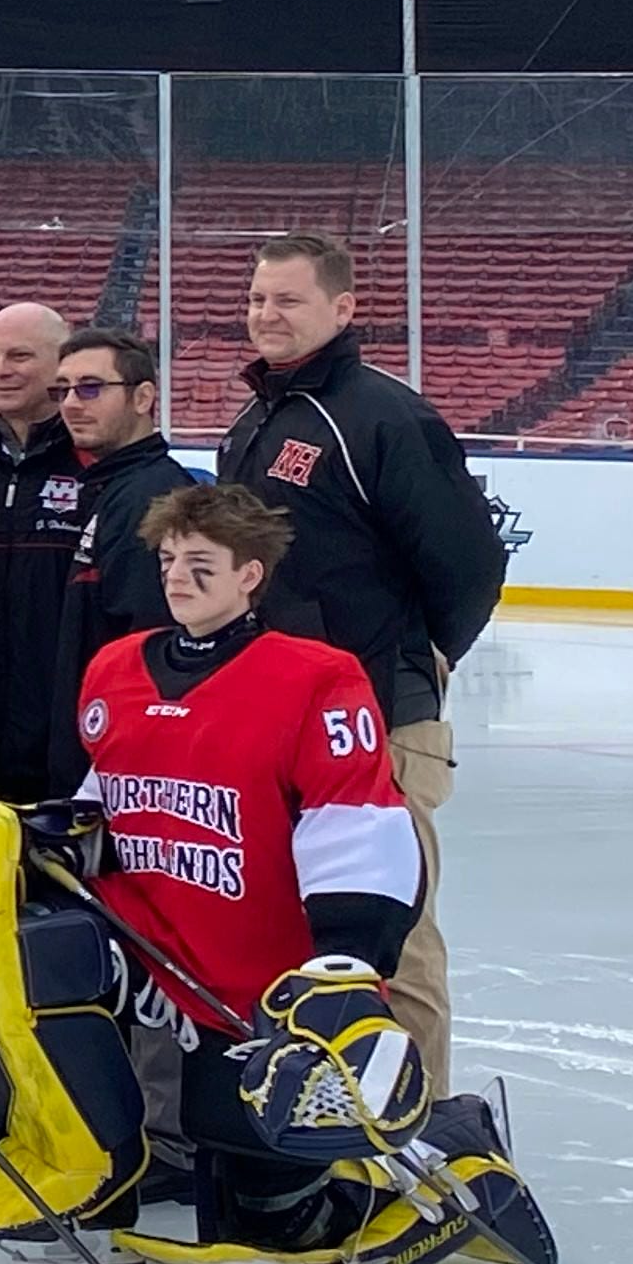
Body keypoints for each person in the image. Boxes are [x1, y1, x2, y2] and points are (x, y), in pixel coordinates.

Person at [69, 481, 536, 1264]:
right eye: (169, 560)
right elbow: (102, 798)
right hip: (172, 971)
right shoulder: (116, 668)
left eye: (200, 563)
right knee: (214, 1167)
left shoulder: (314, 677)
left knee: (271, 1209)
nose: (177, 577)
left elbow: (353, 823)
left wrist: (346, 960)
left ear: (252, 575)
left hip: (269, 984)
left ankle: (454, 1142)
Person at [217, 233, 506, 1097]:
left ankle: (416, 1131)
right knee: (299, 925)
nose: (268, 315)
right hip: (281, 720)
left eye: (289, 301)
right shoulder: (258, 418)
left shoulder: (383, 417)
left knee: (395, 933)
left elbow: (469, 566)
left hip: (379, 720)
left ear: (343, 310)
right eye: (260, 298)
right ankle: (321, 1113)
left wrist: (415, 663)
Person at [38, 326, 197, 797]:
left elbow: (151, 642)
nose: (70, 403)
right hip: (89, 754)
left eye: (90, 388)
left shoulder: (153, 497)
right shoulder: (109, 485)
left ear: (143, 396)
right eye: (61, 389)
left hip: (117, 766)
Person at [0, 298, 82, 802]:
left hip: (64, 737)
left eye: (19, 357)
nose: (0, 371)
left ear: (60, 364)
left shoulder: (95, 465)